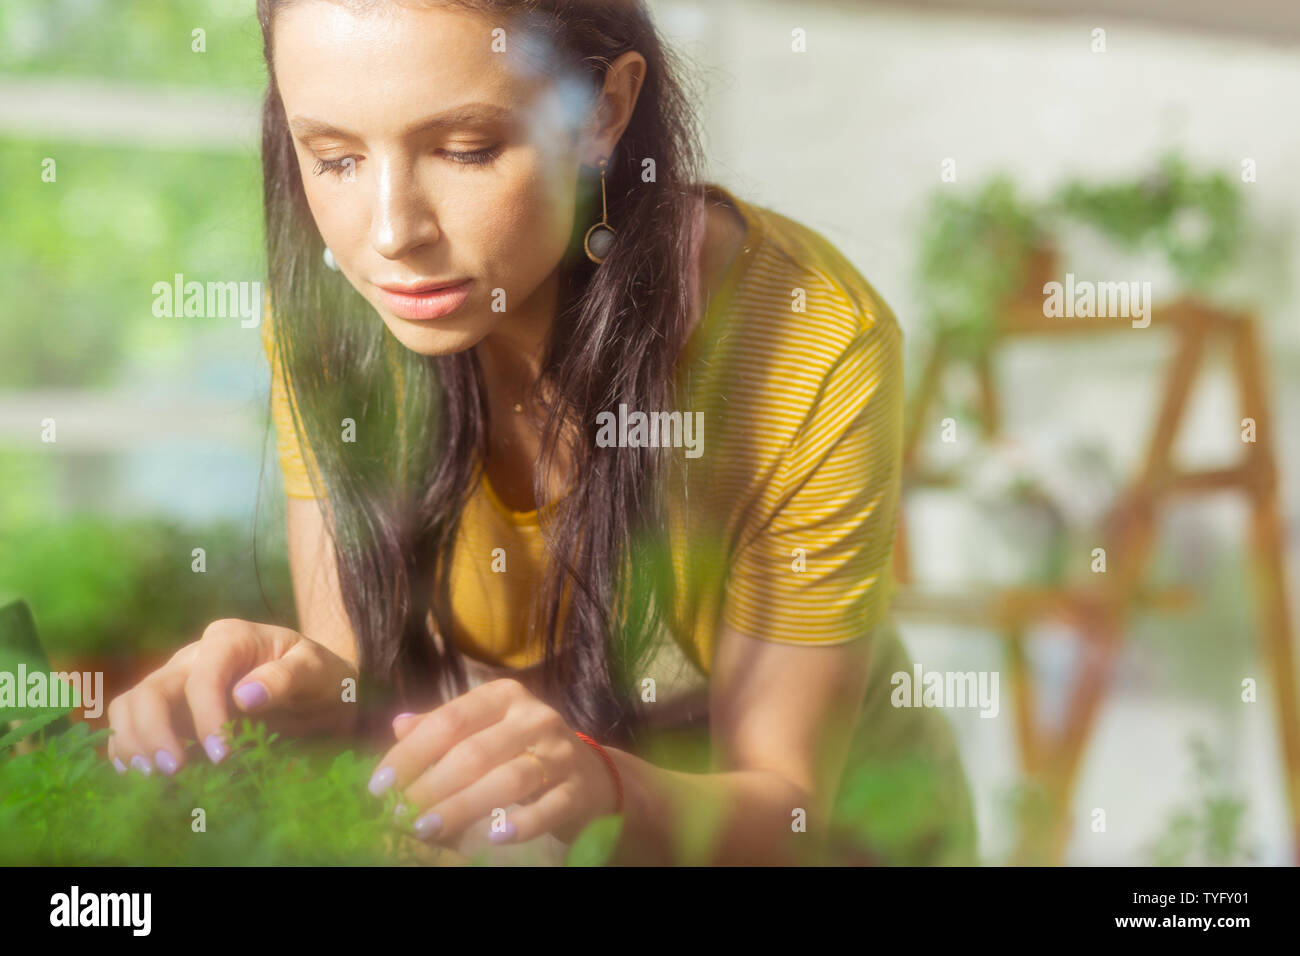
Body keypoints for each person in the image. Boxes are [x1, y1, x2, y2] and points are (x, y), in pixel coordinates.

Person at [106, 0, 976, 866]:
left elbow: (783, 813)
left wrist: (601, 784)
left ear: (603, 110)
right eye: (334, 157)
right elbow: (358, 678)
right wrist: (283, 684)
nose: (389, 234)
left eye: (465, 149)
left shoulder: (806, 344)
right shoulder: (334, 321)